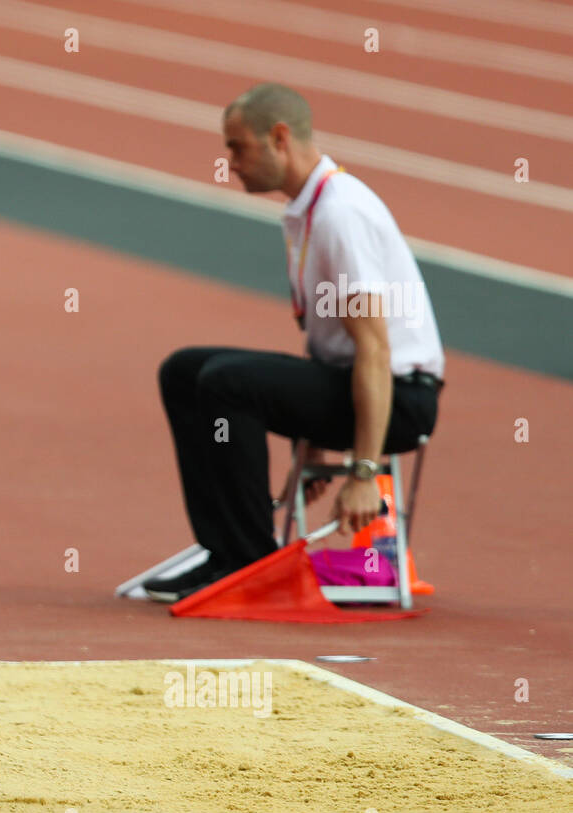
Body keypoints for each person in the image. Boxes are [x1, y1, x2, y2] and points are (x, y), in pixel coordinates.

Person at [143, 83, 443, 603]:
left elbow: (374, 349)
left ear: (279, 138)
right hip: (354, 384)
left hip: (399, 399)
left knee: (226, 383)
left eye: (237, 147)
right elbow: (331, 342)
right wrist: (315, 443)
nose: (230, 162)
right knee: (184, 370)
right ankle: (222, 550)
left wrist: (362, 471)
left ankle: (250, 562)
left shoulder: (340, 215)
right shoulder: (311, 209)